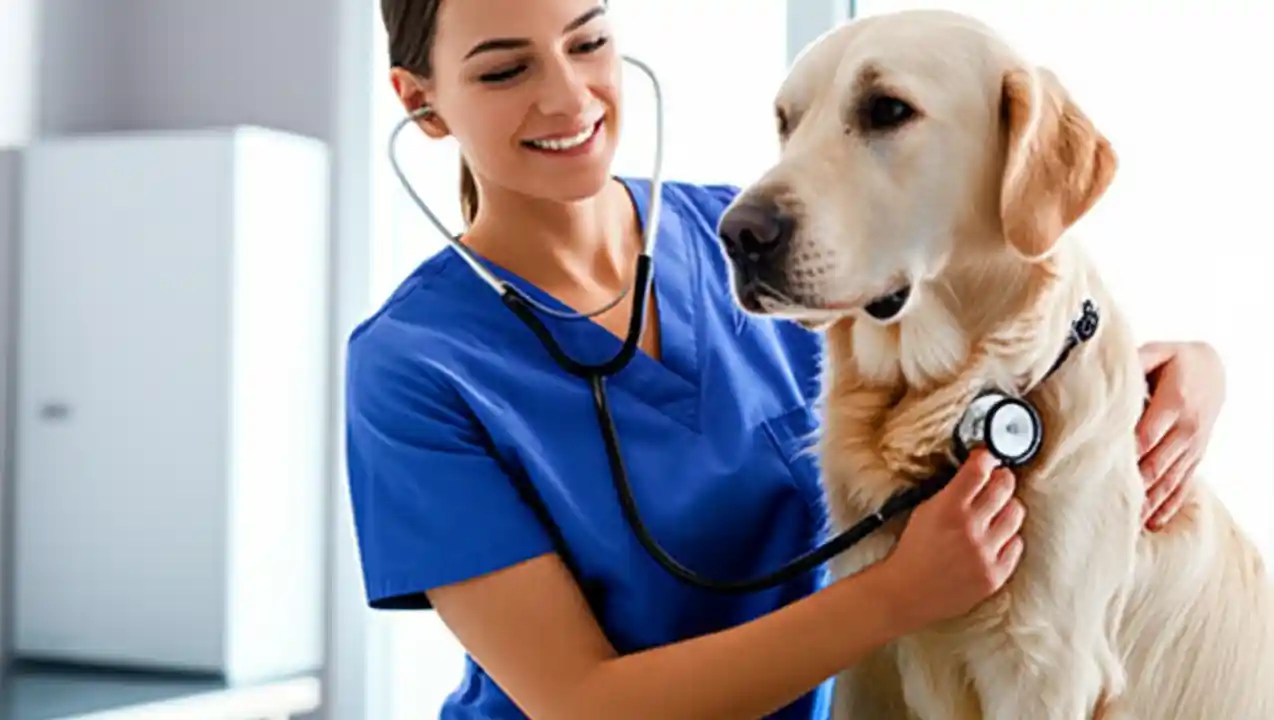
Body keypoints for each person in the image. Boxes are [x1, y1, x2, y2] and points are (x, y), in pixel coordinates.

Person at [345, 1, 1228, 717]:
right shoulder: (413, 368)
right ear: (421, 102)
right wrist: (897, 595)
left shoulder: (756, 240)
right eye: (505, 69)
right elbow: (581, 705)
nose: (569, 98)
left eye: (589, 41)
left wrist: (1174, 370)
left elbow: (983, 325)